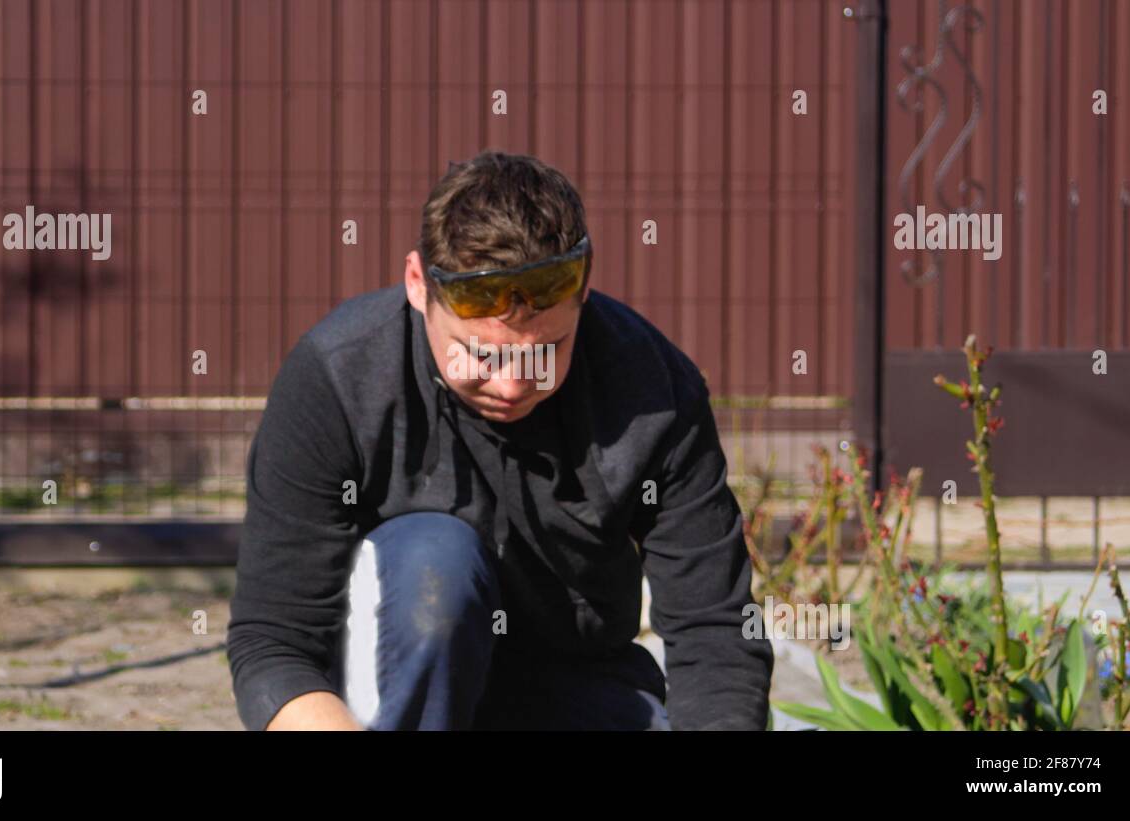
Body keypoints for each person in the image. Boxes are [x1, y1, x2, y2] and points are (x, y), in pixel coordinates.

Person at [227, 150, 773, 730]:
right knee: (434, 563)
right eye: (481, 354)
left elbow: (714, 628)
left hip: (575, 681)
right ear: (418, 285)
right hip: (387, 695)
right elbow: (275, 644)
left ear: (583, 291)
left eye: (548, 349)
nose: (513, 384)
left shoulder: (652, 387)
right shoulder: (339, 379)